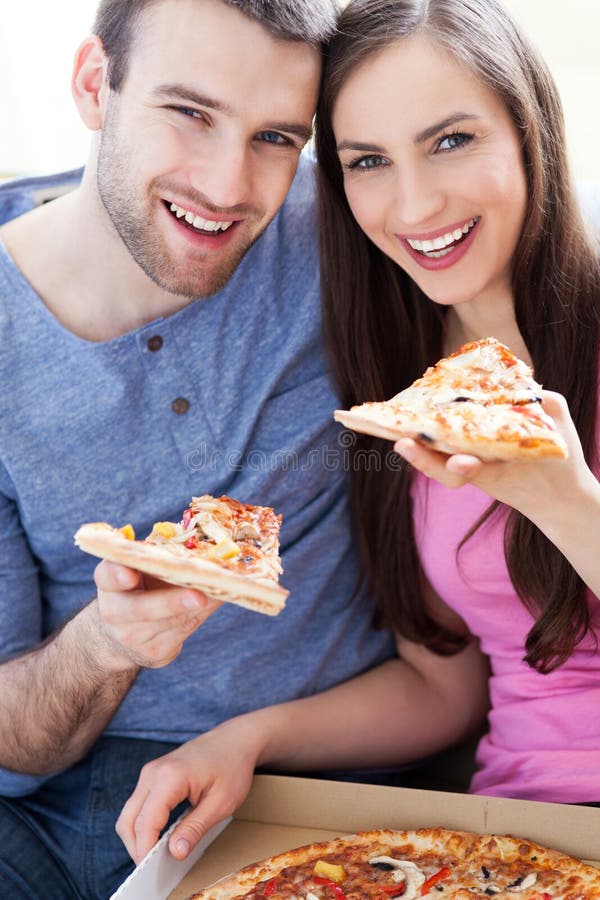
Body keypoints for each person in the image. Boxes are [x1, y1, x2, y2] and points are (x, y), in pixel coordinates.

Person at [116, 0, 600, 869]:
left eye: (452, 140)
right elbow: (442, 686)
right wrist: (246, 739)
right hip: (516, 836)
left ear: (529, 131)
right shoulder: (398, 398)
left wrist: (566, 502)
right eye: (369, 161)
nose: (415, 203)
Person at [0, 0, 427, 896]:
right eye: (190, 113)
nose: (229, 186)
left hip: (313, 799)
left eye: (275, 137)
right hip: (46, 812)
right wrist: (107, 643)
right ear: (95, 85)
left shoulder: (347, 226)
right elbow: (13, 745)